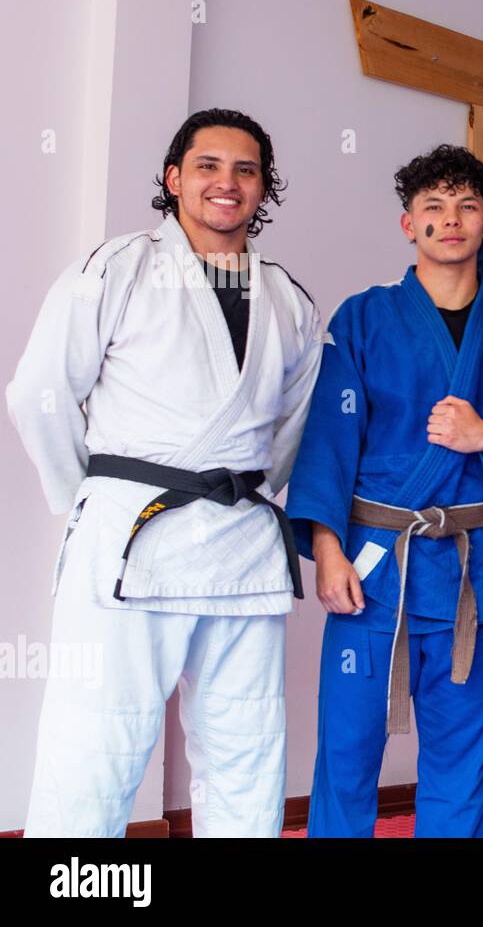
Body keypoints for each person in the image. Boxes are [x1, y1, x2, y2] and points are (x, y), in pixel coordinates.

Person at [8, 108, 322, 837]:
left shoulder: (290, 300)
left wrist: (249, 493)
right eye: (209, 166)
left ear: (263, 189)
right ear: (175, 179)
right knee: (98, 740)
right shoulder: (118, 267)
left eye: (246, 170)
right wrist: (89, 496)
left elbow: (294, 427)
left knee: (247, 745)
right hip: (130, 540)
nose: (227, 183)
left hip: (243, 546)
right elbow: (38, 393)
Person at [285, 144, 483, 837]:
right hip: (374, 568)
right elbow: (329, 444)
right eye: (433, 207)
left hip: (471, 573)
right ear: (408, 225)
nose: (450, 220)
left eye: (467, 207)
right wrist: (328, 553)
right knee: (347, 754)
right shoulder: (362, 319)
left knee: (465, 760)